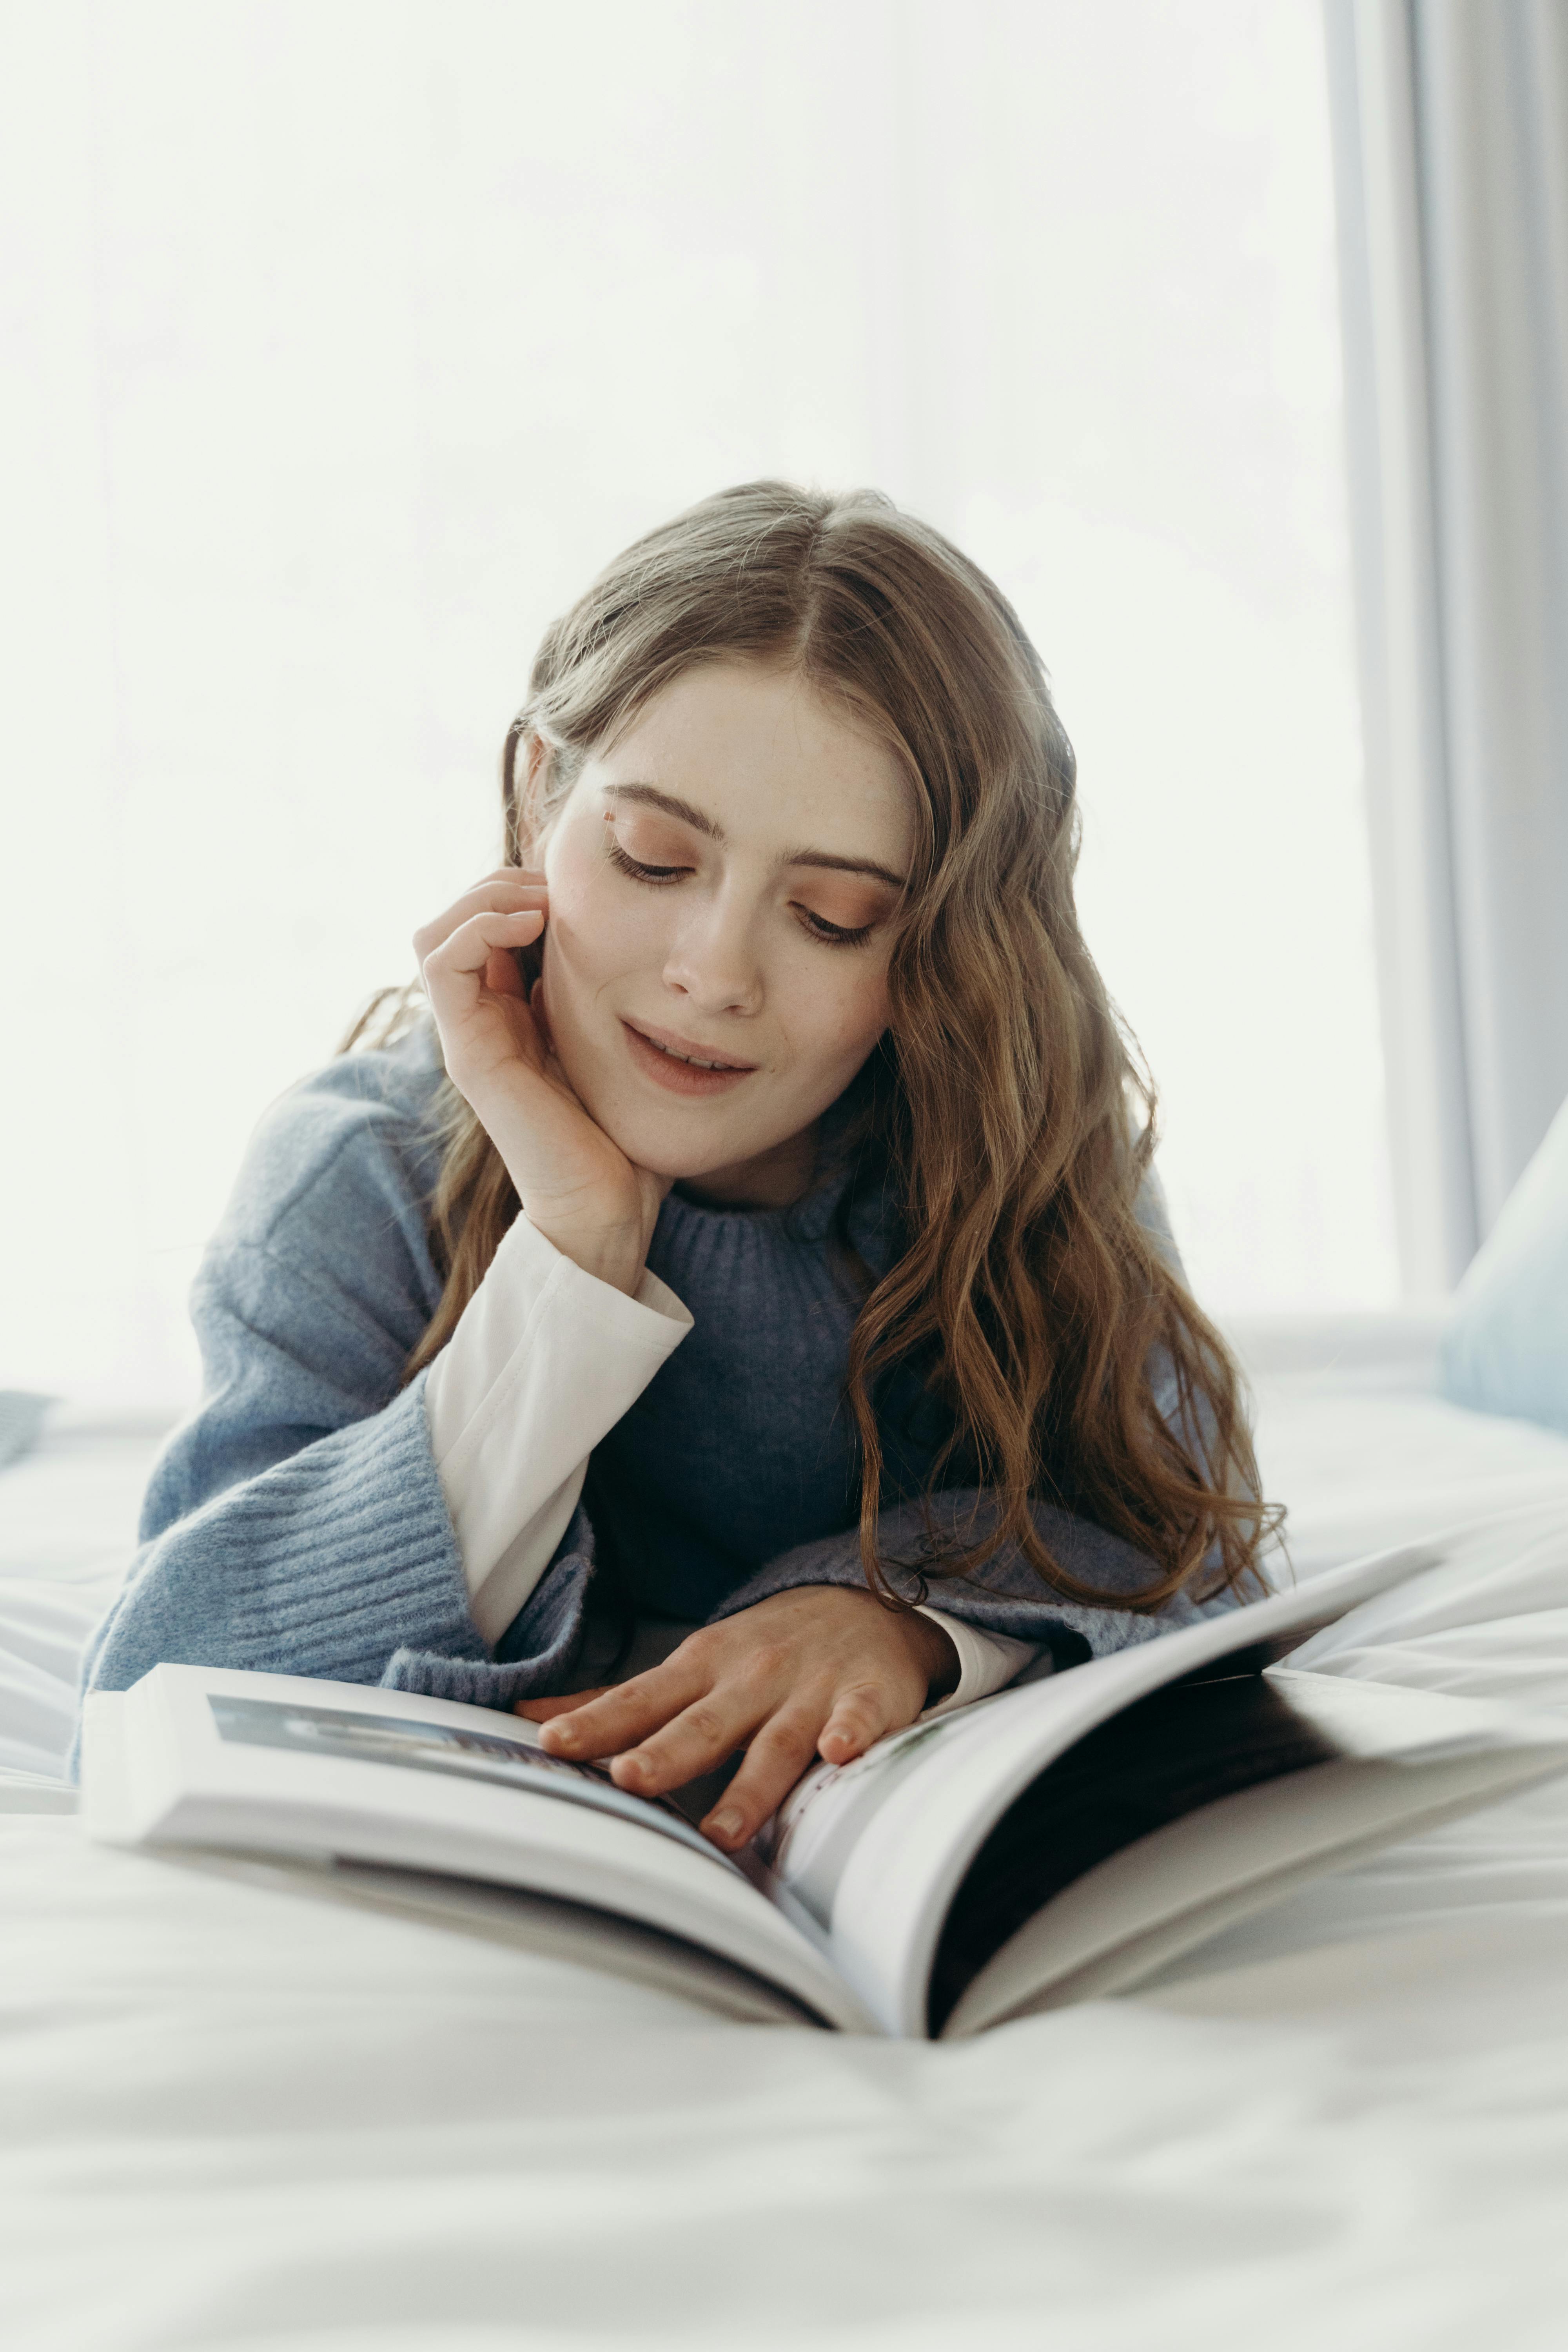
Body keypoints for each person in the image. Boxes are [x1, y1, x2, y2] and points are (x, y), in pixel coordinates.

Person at [78, 481, 1278, 1849]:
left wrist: (898, 1623)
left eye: (831, 919)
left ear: (943, 946)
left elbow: (1200, 1558)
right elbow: (148, 1694)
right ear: (542, 793)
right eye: (654, 859)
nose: (713, 973)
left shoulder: (1026, 1153)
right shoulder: (354, 1173)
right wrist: (575, 1260)